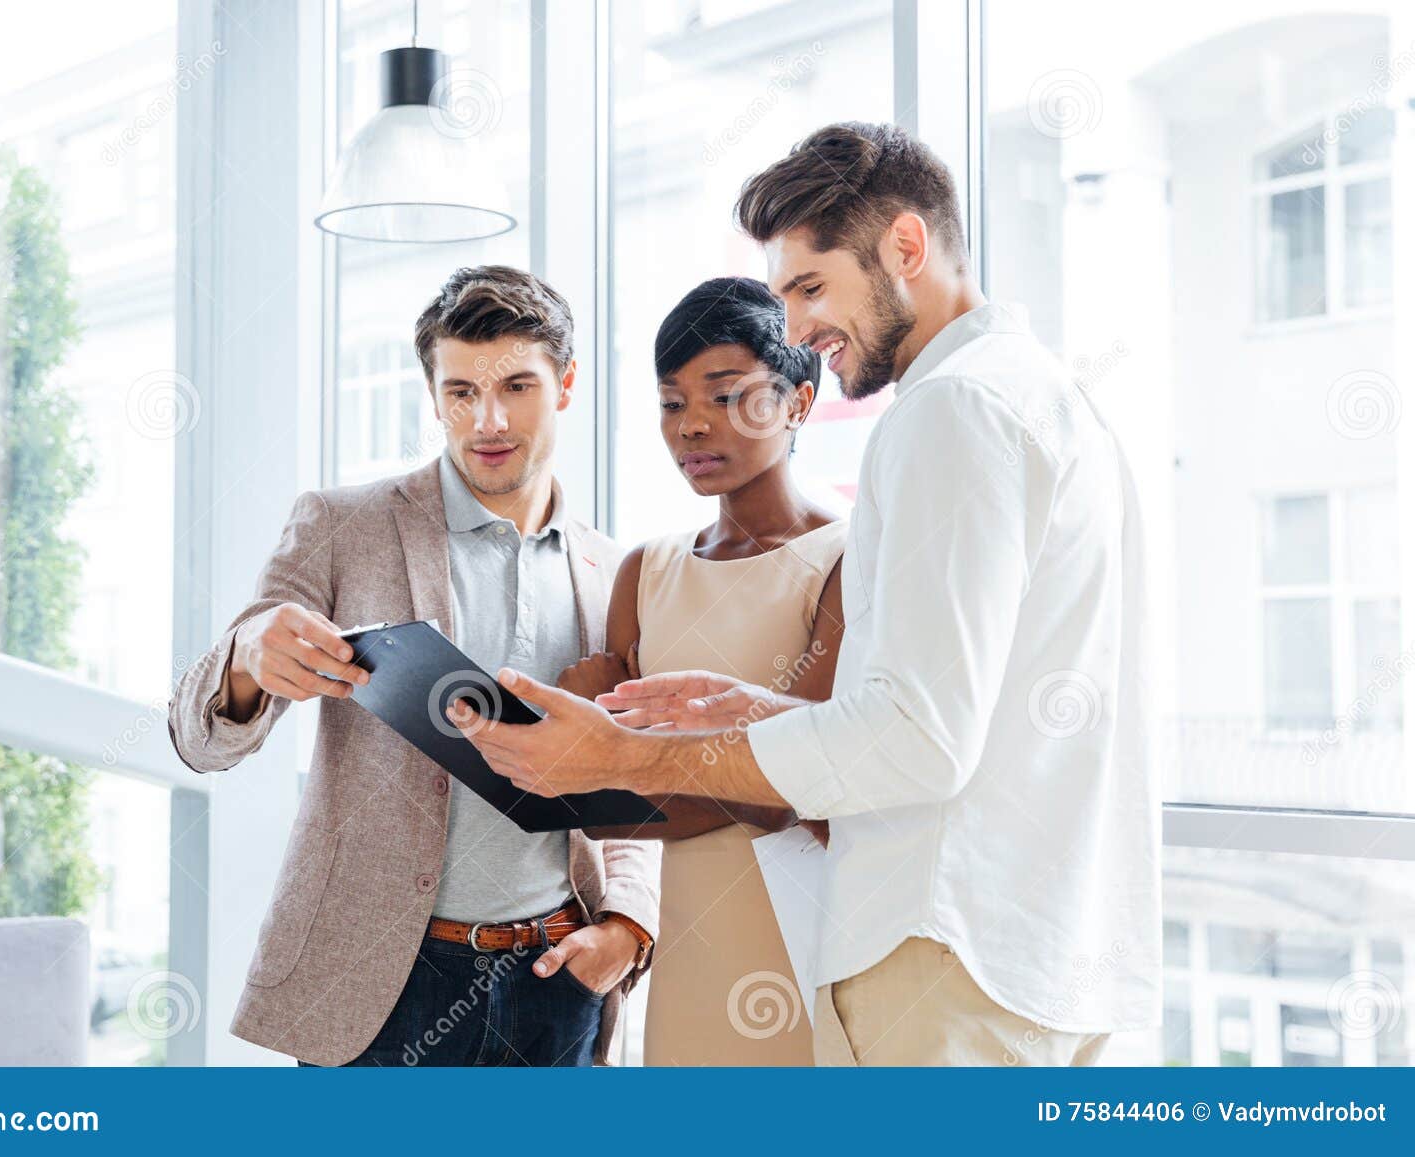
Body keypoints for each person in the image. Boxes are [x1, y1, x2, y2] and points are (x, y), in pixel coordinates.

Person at [451, 123, 1161, 1066]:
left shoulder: (951, 409)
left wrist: (634, 753)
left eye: (812, 288)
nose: (798, 332)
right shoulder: (1048, 399)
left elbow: (917, 740)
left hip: (944, 958)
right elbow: (967, 711)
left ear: (906, 247)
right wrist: (766, 710)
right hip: (1033, 954)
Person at [167, 265, 659, 1067]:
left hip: (556, 977)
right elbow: (200, 738)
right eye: (460, 391)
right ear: (433, 397)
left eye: (517, 387)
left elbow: (633, 785)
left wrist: (628, 930)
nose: (487, 419)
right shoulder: (339, 525)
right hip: (377, 983)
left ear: (566, 385)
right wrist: (249, 660)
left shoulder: (613, 572)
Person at [556, 277, 844, 1065]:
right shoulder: (644, 572)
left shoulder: (846, 561)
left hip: (809, 935)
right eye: (671, 402)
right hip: (685, 947)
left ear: (800, 401)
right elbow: (599, 804)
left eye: (726, 396)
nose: (692, 426)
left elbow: (806, 792)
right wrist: (742, 785)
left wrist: (626, 763)